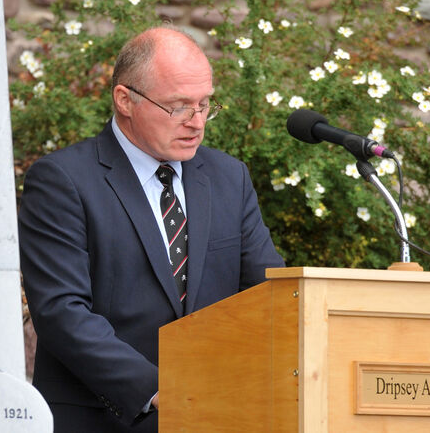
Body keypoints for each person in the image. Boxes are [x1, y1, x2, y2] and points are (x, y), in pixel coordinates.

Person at [18, 26, 284, 432]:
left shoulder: (230, 177)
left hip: (216, 417)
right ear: (125, 100)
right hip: (101, 420)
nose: (197, 122)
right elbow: (62, 311)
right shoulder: (62, 180)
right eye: (178, 107)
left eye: (205, 104)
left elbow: (269, 297)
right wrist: (161, 390)